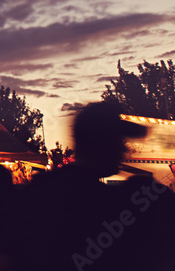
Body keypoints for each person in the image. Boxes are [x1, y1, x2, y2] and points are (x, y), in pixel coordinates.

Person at [18, 101, 174, 270]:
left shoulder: (42, 190)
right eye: (117, 140)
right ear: (101, 143)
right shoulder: (113, 202)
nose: (124, 148)